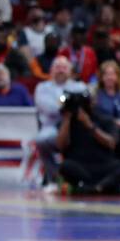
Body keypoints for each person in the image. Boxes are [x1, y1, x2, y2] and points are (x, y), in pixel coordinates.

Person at [55, 90, 120, 193]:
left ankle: (100, 186)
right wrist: (67, 119)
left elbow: (111, 143)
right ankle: (101, 185)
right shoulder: (66, 122)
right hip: (81, 166)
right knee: (65, 166)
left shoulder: (104, 119)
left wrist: (89, 126)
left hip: (106, 165)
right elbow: (60, 146)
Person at [33, 55, 86, 187]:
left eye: (64, 67)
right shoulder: (42, 88)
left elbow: (86, 106)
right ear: (51, 70)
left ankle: (83, 179)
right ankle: (53, 179)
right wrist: (68, 105)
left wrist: (64, 106)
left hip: (76, 127)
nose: (61, 70)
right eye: (57, 67)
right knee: (41, 140)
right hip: (52, 127)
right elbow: (50, 108)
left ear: (70, 70)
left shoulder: (80, 86)